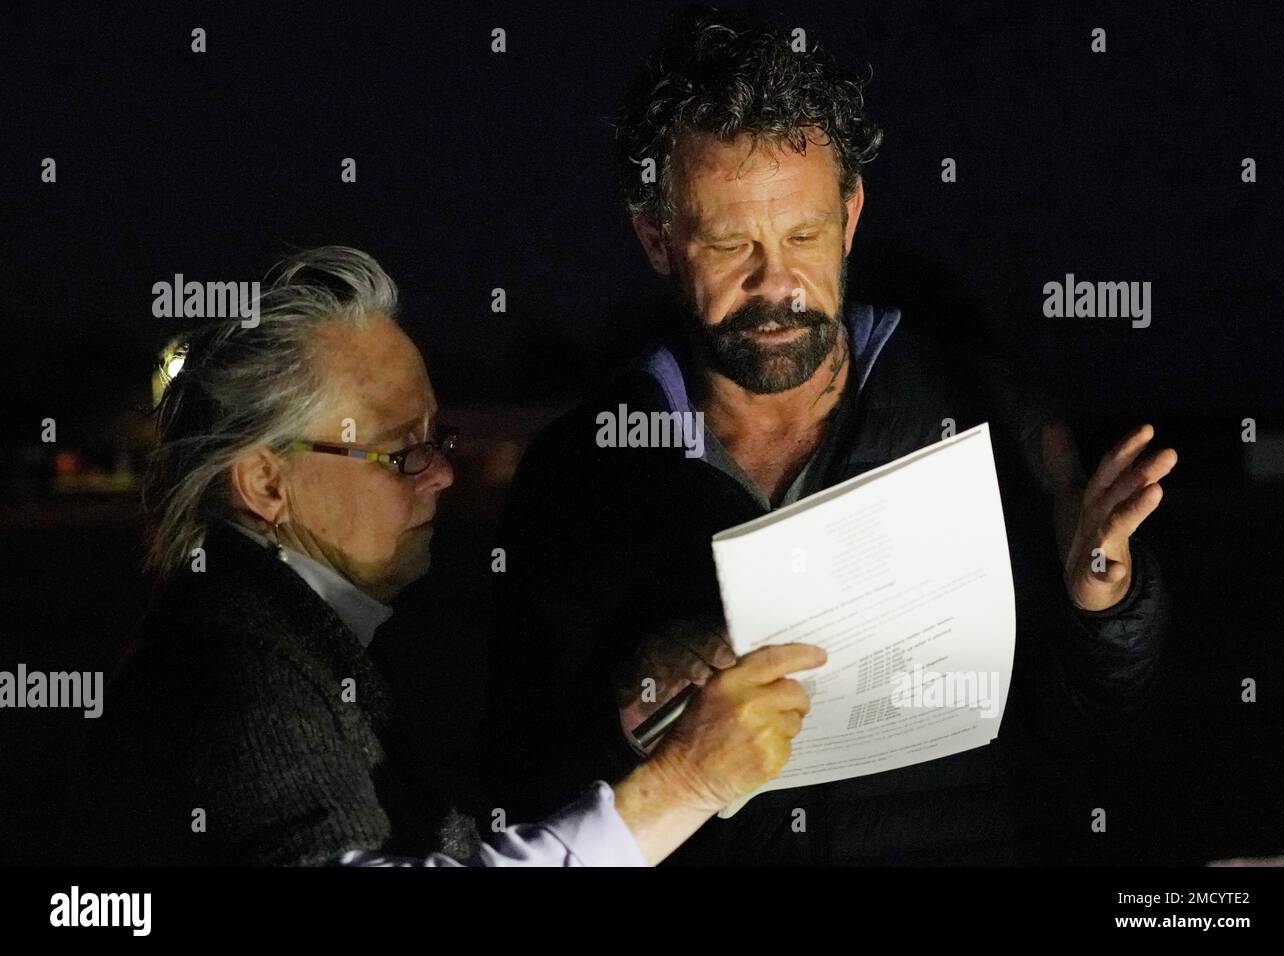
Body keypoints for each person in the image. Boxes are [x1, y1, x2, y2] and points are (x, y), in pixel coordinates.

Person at [487, 7, 1177, 864]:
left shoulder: (985, 411)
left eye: (804, 235)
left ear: (851, 215)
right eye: (731, 242)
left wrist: (1101, 598)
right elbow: (518, 787)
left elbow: (1100, 734)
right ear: (658, 239)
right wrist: (639, 700)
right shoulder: (583, 475)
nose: (776, 282)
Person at [95, 245, 824, 867]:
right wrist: (684, 782)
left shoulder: (281, 633)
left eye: (435, 439)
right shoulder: (234, 676)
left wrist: (644, 715)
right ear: (265, 482)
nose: (441, 473)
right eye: (399, 450)